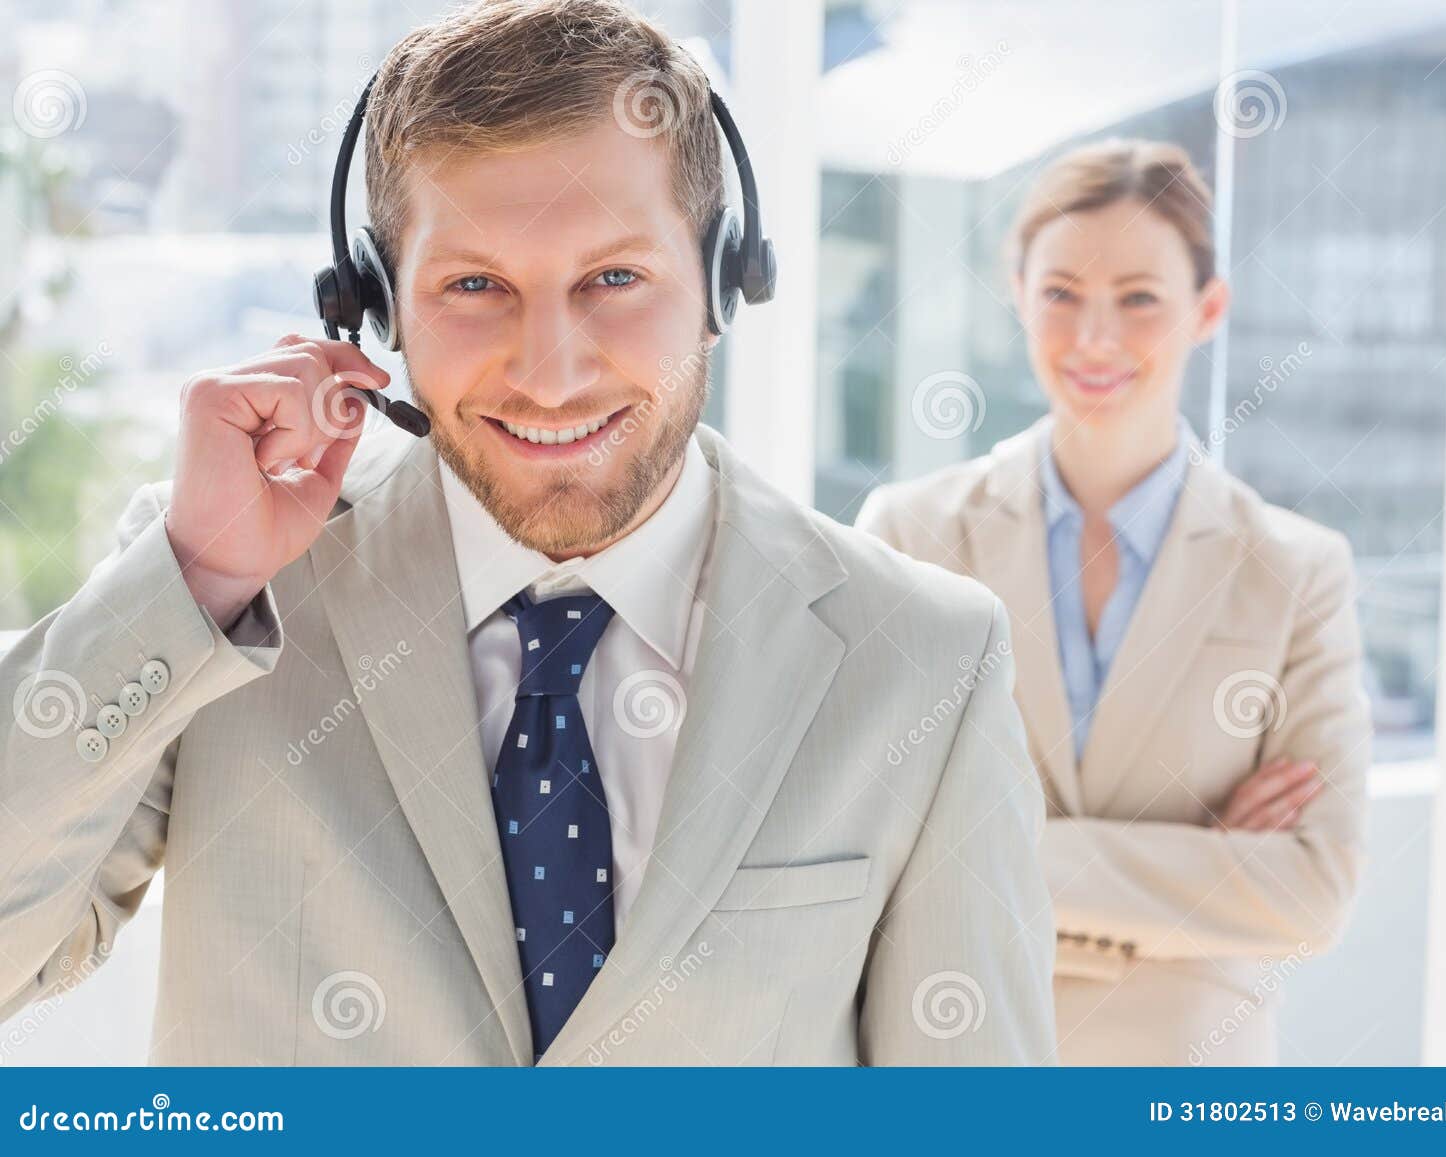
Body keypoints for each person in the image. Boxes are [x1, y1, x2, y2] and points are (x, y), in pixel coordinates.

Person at [0, 0, 1054, 1066]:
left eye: (614, 278)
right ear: (374, 306)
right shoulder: (219, 591)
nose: (548, 371)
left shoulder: (923, 657)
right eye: (473, 285)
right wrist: (200, 574)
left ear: (725, 279)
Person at [856, 139, 1371, 1065]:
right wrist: (1198, 869)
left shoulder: (1294, 571)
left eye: (1138, 298)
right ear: (1018, 293)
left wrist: (992, 851)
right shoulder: (911, 534)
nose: (1094, 338)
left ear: (1207, 309)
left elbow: (1312, 888)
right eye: (1061, 294)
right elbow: (864, 834)